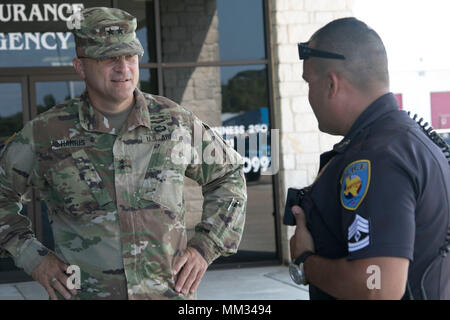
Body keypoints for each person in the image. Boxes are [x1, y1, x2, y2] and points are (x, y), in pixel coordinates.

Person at [0, 7, 247, 300]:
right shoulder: (47, 134)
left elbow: (228, 175)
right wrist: (34, 258)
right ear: (80, 66)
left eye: (130, 56)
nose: (123, 67)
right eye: (108, 58)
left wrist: (206, 246)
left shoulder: (175, 122)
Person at [289, 17, 450, 300]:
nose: (309, 96)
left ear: (331, 84)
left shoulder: (377, 157)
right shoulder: (402, 141)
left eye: (309, 83)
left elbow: (378, 288)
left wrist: (305, 261)